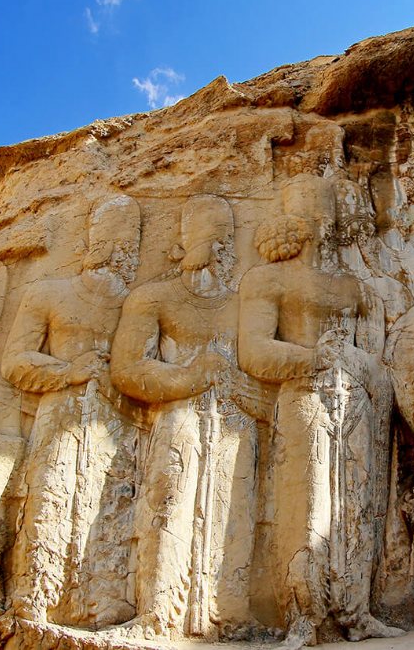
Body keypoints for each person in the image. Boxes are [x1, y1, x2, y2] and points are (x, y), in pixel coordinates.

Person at [238, 173, 403, 647]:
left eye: (324, 209)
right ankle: (303, 615)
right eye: (308, 208)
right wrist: (313, 358)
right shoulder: (266, 279)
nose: (318, 219)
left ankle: (357, 610)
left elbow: (375, 354)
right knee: (306, 502)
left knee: (358, 503)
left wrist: (356, 367)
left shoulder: (355, 286)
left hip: (355, 399)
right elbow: (253, 350)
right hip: (303, 393)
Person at [109, 194, 262, 640]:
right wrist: (190, 375)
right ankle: (156, 613)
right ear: (182, 238)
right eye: (207, 234)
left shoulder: (243, 302)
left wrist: (246, 394)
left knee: (236, 513)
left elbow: (257, 370)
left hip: (236, 422)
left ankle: (230, 615)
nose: (217, 246)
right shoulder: (153, 296)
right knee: (169, 501)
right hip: (177, 417)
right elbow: (128, 369)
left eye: (225, 236)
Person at [1, 195, 141, 624]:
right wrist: (67, 371)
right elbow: (15, 360)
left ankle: (101, 598)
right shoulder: (48, 293)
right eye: (109, 234)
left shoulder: (136, 303)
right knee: (53, 496)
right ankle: (34, 594)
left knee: (112, 507)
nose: (119, 246)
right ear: (91, 238)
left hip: (121, 419)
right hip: (61, 411)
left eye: (129, 237)